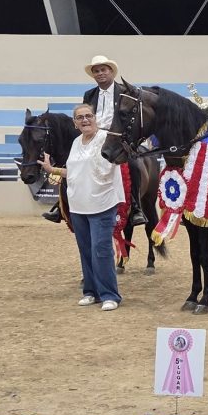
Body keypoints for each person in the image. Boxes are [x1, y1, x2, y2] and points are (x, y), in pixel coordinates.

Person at [43, 54, 146, 228]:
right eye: (96, 71)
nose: (100, 73)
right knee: (74, 163)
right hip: (93, 135)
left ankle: (136, 207)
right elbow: (85, 115)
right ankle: (61, 206)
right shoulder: (89, 94)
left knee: (133, 165)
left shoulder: (124, 91)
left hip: (117, 137)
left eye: (103, 70)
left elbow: (131, 117)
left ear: (111, 71)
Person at [39, 103, 124, 311]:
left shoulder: (106, 138)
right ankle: (90, 292)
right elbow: (74, 172)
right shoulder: (76, 142)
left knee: (101, 250)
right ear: (75, 123)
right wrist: (52, 169)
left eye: (88, 116)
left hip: (102, 204)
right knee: (85, 250)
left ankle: (110, 294)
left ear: (95, 118)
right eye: (80, 118)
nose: (85, 120)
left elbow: (113, 164)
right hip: (78, 205)